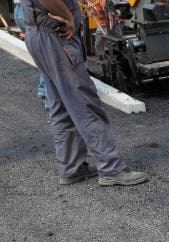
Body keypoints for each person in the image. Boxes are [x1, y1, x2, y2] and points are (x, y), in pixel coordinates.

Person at [18, 0, 149, 186]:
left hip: (40, 33)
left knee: (61, 105)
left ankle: (72, 167)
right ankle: (111, 167)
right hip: (55, 33)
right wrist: (68, 17)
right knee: (85, 104)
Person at [12, 0, 47, 107]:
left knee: (43, 54)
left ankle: (42, 89)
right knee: (48, 56)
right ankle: (49, 99)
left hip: (19, 10)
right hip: (32, 11)